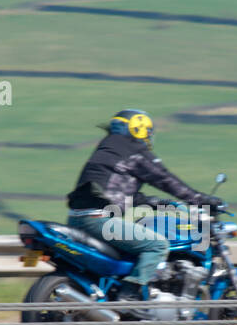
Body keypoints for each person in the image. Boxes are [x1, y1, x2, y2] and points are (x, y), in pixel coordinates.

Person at [66, 109, 223, 300]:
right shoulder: (134, 151)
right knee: (157, 245)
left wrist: (156, 202)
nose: (148, 136)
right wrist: (201, 199)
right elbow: (165, 179)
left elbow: (119, 189)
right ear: (138, 129)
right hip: (99, 220)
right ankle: (130, 295)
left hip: (77, 219)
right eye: (147, 131)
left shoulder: (109, 148)